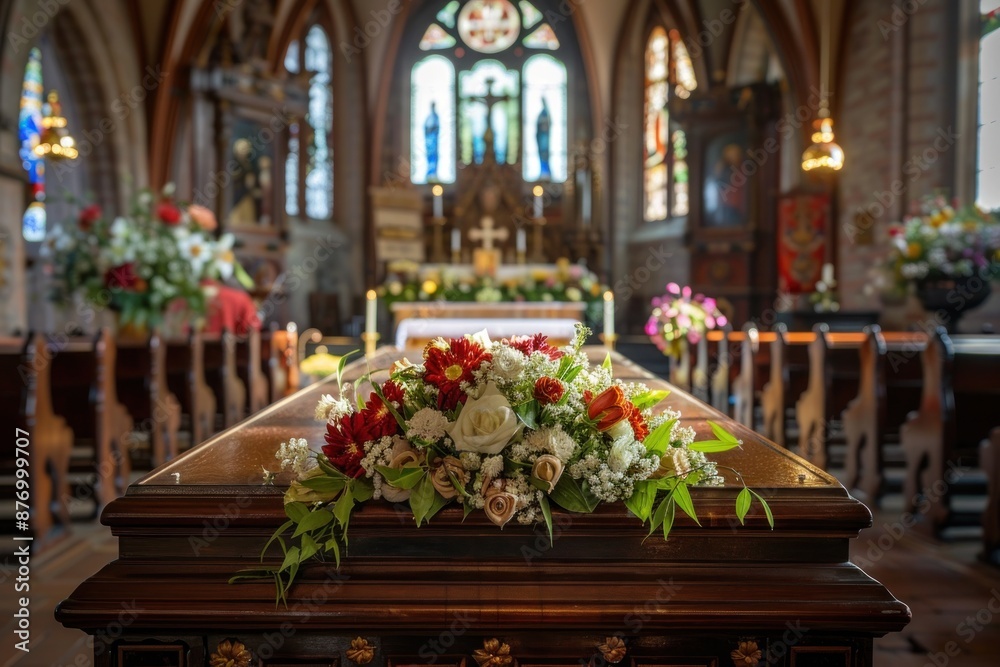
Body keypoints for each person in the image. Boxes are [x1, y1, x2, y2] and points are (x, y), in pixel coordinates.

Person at [536, 98, 552, 180]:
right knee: (541, 155)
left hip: (545, 138)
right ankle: (543, 172)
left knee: (545, 155)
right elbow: (538, 125)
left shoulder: (546, 113)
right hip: (541, 137)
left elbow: (548, 123)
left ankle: (546, 173)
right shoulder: (541, 113)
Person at [425, 101, 440, 181]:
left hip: (434, 142)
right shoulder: (428, 117)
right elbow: (426, 129)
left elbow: (437, 129)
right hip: (429, 142)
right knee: (429, 157)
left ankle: (433, 174)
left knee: (434, 158)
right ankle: (430, 174)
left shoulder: (436, 117)